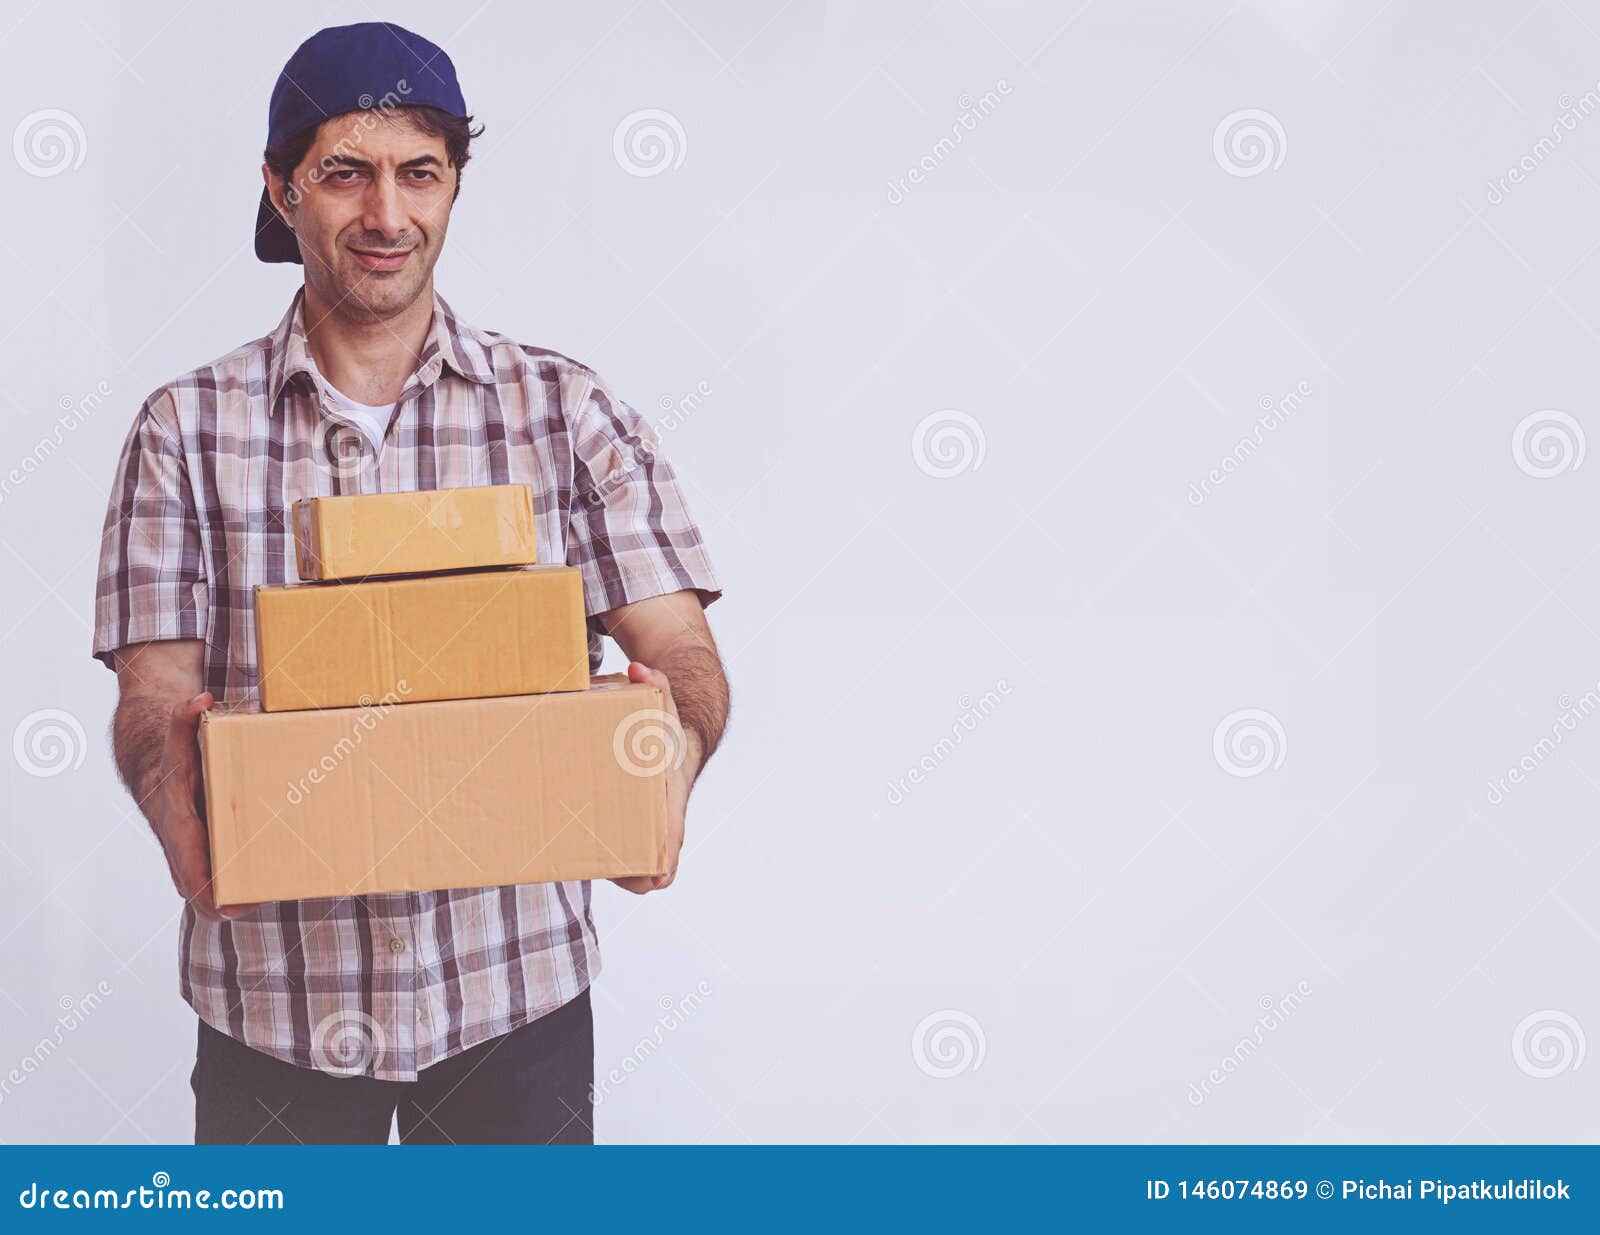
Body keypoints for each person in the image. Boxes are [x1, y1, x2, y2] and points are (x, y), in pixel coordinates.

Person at [91, 21, 728, 1145]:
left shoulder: (563, 412)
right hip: (273, 1008)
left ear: (453, 185)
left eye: (419, 173)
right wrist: (180, 811)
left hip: (511, 1001)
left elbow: (679, 654)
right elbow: (153, 696)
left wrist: (665, 753)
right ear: (283, 190)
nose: (388, 216)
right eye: (346, 172)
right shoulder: (182, 431)